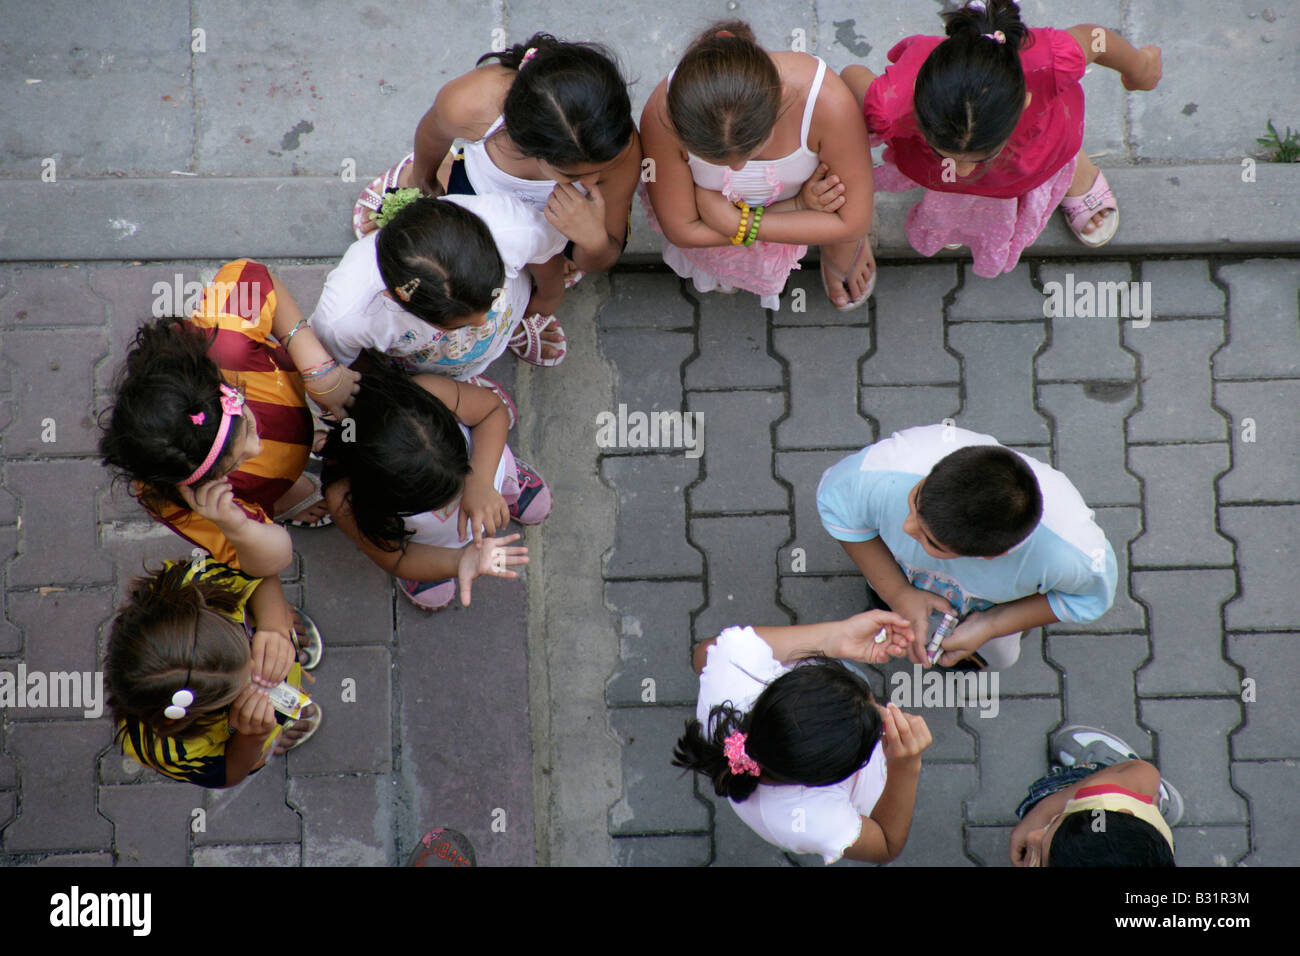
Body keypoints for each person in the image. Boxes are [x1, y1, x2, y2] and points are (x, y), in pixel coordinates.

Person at [352, 33, 642, 360]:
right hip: (479, 190)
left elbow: (606, 255)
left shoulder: (621, 151)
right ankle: (439, 178)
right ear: (527, 146)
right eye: (574, 176)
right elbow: (433, 133)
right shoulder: (470, 102)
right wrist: (424, 181)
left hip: (565, 223)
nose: (593, 182)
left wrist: (592, 240)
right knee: (459, 258)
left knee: (565, 260)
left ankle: (546, 279)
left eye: (600, 170)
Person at [840, 0, 1162, 275]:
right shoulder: (892, 101)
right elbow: (850, 80)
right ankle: (969, 212)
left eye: (979, 157)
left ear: (1024, 103)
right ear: (919, 105)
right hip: (1021, 159)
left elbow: (1096, 40)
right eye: (945, 153)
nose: (963, 172)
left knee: (966, 183)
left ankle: (1075, 166)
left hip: (1039, 150)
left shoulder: (1046, 62)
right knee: (964, 188)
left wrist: (1140, 66)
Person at [100, 261, 361, 575]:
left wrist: (317, 367)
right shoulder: (177, 498)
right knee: (260, 487)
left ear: (223, 386)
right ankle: (276, 499)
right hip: (261, 485)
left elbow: (253, 275)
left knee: (283, 448)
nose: (256, 450)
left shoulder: (227, 338)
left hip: (288, 409)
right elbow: (273, 560)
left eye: (248, 428)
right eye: (233, 466)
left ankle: (300, 455)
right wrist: (236, 525)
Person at [816, 423, 1116, 670]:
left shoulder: (1073, 556)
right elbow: (839, 511)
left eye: (930, 541)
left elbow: (1088, 599)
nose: (906, 528)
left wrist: (990, 626)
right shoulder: (877, 473)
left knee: (994, 657)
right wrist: (897, 592)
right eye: (914, 501)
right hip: (904, 582)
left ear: (992, 556)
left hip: (989, 613)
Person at [639, 20, 875, 311]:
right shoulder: (662, 115)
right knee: (829, 223)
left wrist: (739, 224)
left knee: (845, 228)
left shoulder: (827, 103)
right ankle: (748, 263)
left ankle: (836, 249)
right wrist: (797, 209)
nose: (736, 170)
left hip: (721, 221)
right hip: (798, 214)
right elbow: (682, 232)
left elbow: (852, 222)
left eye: (751, 151)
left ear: (782, 96)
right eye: (716, 160)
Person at [673, 611, 933, 864]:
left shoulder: (732, 667)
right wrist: (905, 767)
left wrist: (838, 636)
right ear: (830, 780)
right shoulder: (812, 821)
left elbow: (705, 654)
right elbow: (886, 844)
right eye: (877, 732)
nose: (885, 712)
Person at [312, 194, 567, 419]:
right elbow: (342, 370)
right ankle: (453, 384)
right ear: (394, 299)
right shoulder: (346, 318)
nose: (483, 322)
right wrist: (396, 390)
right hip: (421, 364)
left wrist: (546, 299)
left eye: (491, 301)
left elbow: (544, 252)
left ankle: (507, 330)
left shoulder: (514, 228)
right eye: (461, 324)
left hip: (508, 314)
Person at [320, 365, 543, 611]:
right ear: (384, 500)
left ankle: (508, 486)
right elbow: (396, 557)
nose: (459, 494)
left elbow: (492, 410)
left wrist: (481, 480)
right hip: (429, 543)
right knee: (422, 562)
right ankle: (429, 570)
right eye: (443, 498)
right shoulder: (344, 500)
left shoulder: (428, 391)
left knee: (498, 486)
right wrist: (459, 560)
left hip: (488, 469)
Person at [105, 560, 322, 789]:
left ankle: (279, 629)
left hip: (264, 624)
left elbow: (259, 567)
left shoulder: (197, 582)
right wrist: (253, 737)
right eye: (240, 689)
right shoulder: (166, 749)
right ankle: (276, 734)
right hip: (246, 737)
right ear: (191, 715)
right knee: (267, 734)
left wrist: (274, 626)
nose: (260, 672)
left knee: (275, 611)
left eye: (246, 645)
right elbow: (229, 774)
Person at [1011, 724, 1181, 866]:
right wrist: (1042, 812)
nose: (1033, 835)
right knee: (1122, 781)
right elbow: (1145, 771)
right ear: (1124, 812)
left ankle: (1149, 800)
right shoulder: (1103, 797)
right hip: (1118, 791)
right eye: (1056, 821)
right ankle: (1148, 796)